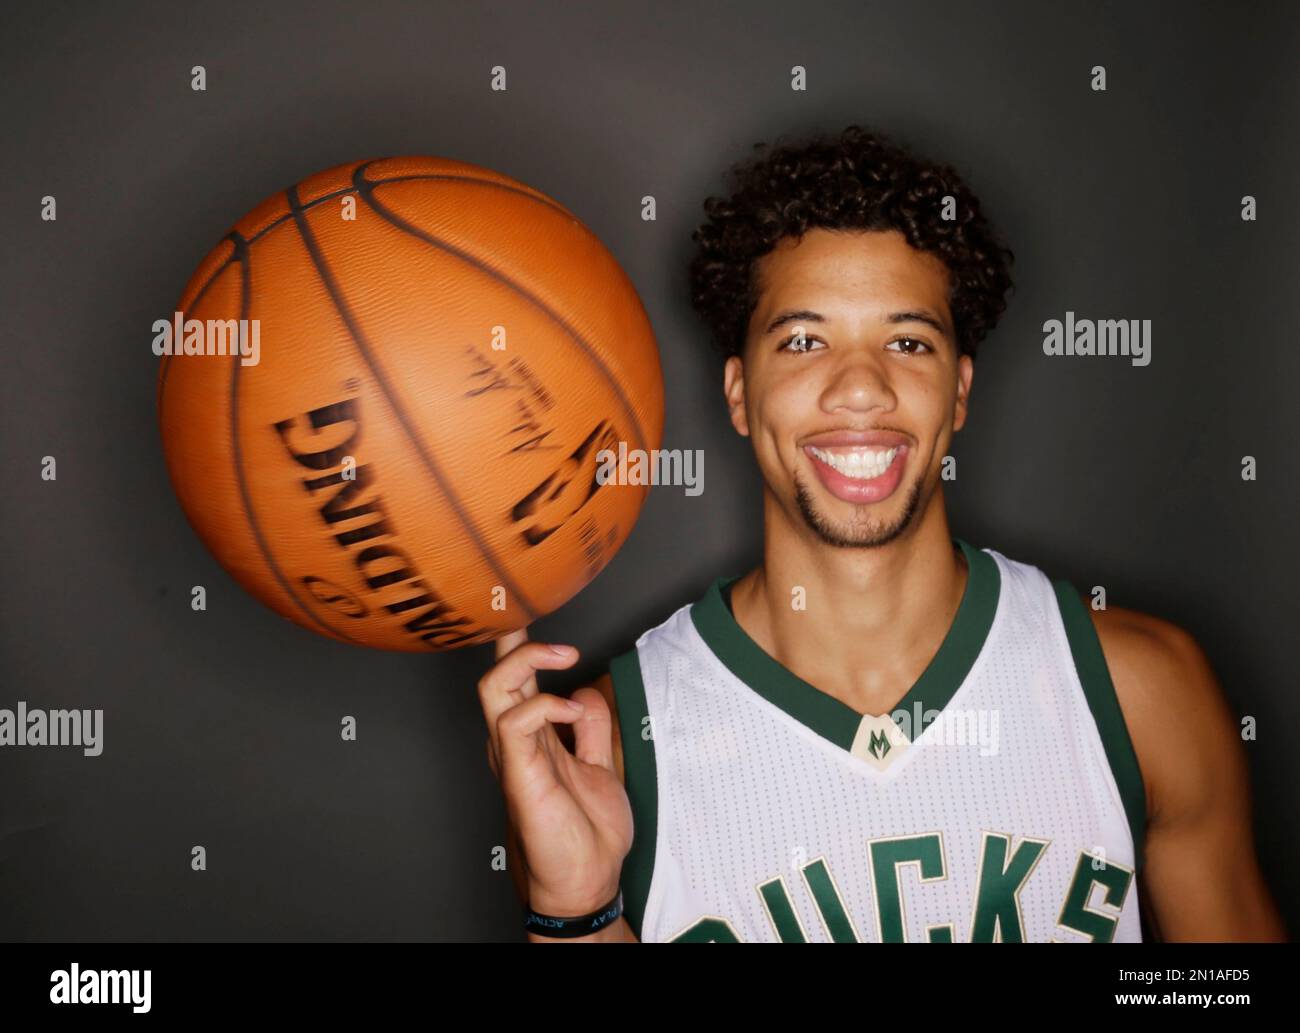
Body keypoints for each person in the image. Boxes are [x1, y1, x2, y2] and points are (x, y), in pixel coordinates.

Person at [478, 125, 1285, 943]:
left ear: (959, 391)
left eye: (907, 341)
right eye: (803, 340)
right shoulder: (613, 738)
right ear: (737, 391)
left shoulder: (1139, 689)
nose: (860, 389)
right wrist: (577, 905)